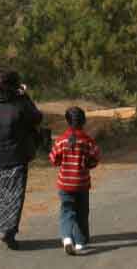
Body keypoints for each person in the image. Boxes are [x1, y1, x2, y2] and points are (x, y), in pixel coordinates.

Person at [0, 65, 43, 250]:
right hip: (17, 156)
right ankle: (10, 231)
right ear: (14, 85)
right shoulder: (20, 104)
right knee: (15, 196)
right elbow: (37, 118)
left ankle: (3, 228)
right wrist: (25, 96)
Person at [49, 106, 101, 255]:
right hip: (82, 184)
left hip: (65, 184)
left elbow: (53, 159)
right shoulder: (88, 141)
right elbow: (95, 157)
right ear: (83, 121)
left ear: (67, 121)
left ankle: (66, 239)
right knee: (82, 213)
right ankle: (80, 242)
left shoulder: (61, 140)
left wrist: (62, 161)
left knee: (67, 212)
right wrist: (88, 164)